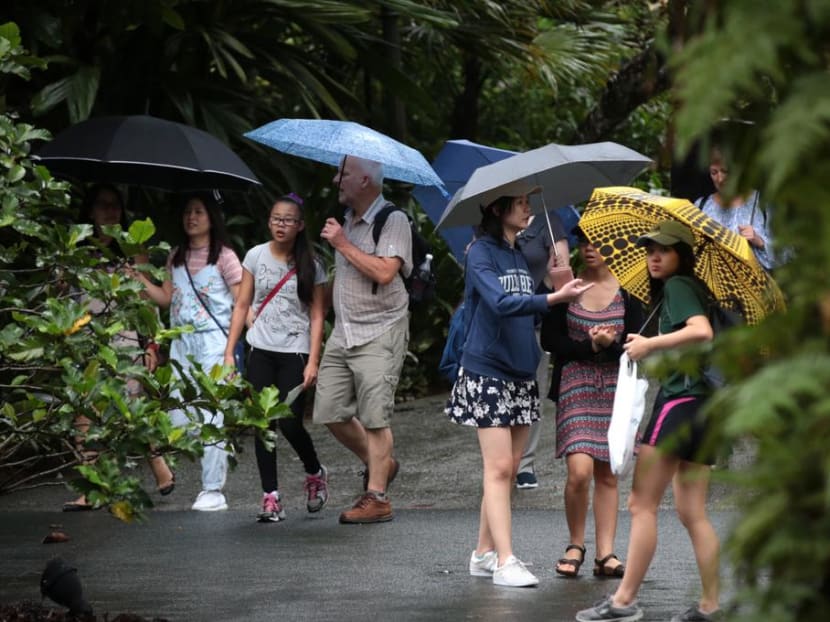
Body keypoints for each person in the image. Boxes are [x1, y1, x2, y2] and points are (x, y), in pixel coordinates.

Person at [447, 182, 593, 588]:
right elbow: (499, 303)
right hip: (487, 370)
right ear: (498, 209)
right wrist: (550, 300)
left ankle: (482, 553)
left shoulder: (517, 253)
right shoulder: (480, 252)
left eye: (529, 202)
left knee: (509, 470)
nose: (528, 208)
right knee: (497, 468)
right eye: (521, 203)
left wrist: (556, 286)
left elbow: (528, 308)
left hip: (520, 369)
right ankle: (505, 561)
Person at [575, 220, 720, 622]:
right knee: (693, 513)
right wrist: (634, 345)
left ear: (682, 255)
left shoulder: (678, 286)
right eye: (650, 249)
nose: (654, 256)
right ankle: (710, 606)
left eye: (665, 250)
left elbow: (701, 332)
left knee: (642, 504)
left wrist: (651, 343)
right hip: (706, 404)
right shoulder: (691, 289)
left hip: (679, 404)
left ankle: (623, 601)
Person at [63, 184, 175, 511]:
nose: (110, 212)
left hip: (124, 339)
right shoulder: (75, 249)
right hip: (84, 337)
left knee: (130, 408)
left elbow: (146, 305)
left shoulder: (132, 248)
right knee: (84, 412)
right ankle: (91, 488)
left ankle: (157, 464)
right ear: (90, 211)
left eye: (115, 206)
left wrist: (151, 344)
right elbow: (63, 297)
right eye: (103, 206)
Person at [540, 229, 644, 578]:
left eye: (597, 241)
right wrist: (590, 347)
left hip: (616, 387)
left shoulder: (629, 290)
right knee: (580, 471)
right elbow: (550, 339)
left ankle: (605, 553)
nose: (590, 248)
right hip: (576, 383)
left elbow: (640, 343)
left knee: (608, 474)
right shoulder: (568, 286)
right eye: (584, 241)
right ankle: (575, 543)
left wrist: (611, 345)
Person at [313, 155, 410, 524]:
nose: (336, 178)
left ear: (365, 180)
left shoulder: (393, 220)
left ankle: (378, 496)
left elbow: (385, 272)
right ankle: (381, 463)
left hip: (381, 328)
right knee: (329, 410)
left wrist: (341, 244)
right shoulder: (349, 222)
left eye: (344, 173)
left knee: (374, 417)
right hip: (345, 330)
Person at [223, 193, 329, 522]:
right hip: (261, 350)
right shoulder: (255, 256)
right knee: (262, 424)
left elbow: (316, 316)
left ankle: (314, 472)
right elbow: (242, 304)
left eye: (288, 220)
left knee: (290, 422)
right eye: (276, 219)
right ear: (269, 222)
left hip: (295, 352)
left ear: (300, 226)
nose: (281, 225)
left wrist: (313, 361)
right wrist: (230, 352)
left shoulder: (312, 265)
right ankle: (271, 496)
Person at [136, 192, 241, 512]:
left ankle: (213, 490)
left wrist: (233, 351)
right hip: (182, 344)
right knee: (179, 416)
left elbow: (241, 303)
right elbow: (167, 299)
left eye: (198, 212)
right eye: (187, 212)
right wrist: (136, 278)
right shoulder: (176, 256)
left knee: (211, 414)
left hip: (213, 343)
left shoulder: (224, 256)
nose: (191, 217)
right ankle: (215, 460)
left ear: (211, 217)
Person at [514, 208, 570, 489]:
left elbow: (563, 278)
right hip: (501, 320)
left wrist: (554, 273)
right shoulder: (491, 223)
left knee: (531, 388)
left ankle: (525, 462)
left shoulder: (550, 220)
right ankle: (505, 458)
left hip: (535, 320)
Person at [696, 146, 776, 271]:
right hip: (713, 285)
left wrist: (759, 241)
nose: (720, 179)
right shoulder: (702, 205)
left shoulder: (762, 203)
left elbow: (787, 252)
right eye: (714, 172)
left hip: (756, 285)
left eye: (725, 171)